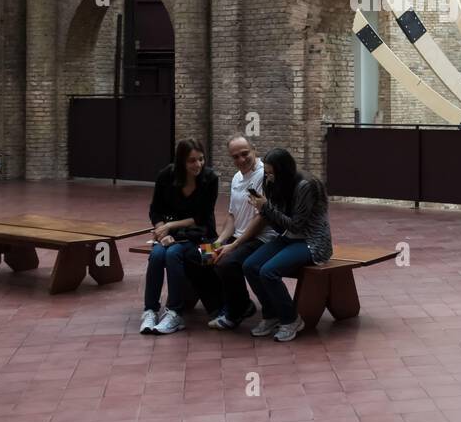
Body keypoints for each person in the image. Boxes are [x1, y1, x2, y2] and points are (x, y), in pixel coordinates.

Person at [242, 148, 333, 342]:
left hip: (311, 241)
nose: (268, 177)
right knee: (250, 265)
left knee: (268, 271)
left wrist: (266, 208)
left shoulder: (305, 185)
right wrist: (264, 209)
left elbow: (296, 225)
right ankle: (271, 314)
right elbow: (279, 225)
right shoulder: (274, 184)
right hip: (288, 238)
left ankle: (291, 319)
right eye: (266, 172)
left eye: (271, 173)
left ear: (283, 171)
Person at [140, 138, 219, 335]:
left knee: (172, 254)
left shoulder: (210, 179)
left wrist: (169, 227)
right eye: (192, 160)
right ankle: (150, 310)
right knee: (158, 255)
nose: (198, 165)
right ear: (181, 161)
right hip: (170, 235)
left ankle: (175, 313)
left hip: (203, 238)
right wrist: (160, 230)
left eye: (201, 159)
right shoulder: (166, 176)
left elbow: (202, 217)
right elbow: (155, 210)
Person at [201, 136, 276, 330]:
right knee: (204, 257)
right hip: (240, 236)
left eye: (245, 154)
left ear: (254, 150)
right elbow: (232, 216)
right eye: (235, 156)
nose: (241, 160)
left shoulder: (262, 176)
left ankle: (235, 313)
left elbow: (262, 218)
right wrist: (219, 242)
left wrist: (233, 245)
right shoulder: (236, 177)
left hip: (261, 238)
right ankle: (236, 305)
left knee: (228, 262)